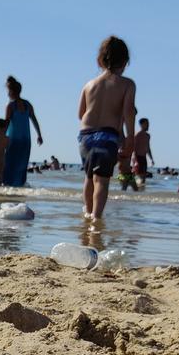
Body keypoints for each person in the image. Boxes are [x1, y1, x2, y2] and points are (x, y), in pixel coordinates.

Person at [78, 36, 136, 220]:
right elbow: (128, 112)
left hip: (85, 136)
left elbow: (81, 113)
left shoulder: (89, 85)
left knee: (89, 177)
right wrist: (130, 138)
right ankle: (96, 218)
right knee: (102, 180)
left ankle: (88, 213)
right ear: (125, 62)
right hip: (107, 136)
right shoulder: (127, 84)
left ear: (100, 60)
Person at [2, 76, 44, 188]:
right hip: (26, 140)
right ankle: (20, 188)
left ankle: (8, 187)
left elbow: (6, 123)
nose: (7, 94)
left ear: (11, 92)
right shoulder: (27, 104)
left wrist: (1, 137)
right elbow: (34, 120)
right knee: (21, 166)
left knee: (9, 164)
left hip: (13, 140)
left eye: (8, 91)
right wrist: (39, 135)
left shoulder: (10, 106)